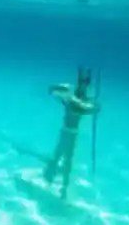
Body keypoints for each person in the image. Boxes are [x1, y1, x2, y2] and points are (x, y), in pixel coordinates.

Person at [42, 66, 99, 199]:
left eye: (85, 84)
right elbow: (54, 90)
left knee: (68, 160)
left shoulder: (83, 100)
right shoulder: (71, 97)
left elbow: (90, 108)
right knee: (58, 156)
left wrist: (95, 106)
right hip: (65, 132)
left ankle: (64, 188)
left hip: (73, 134)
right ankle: (48, 178)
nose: (82, 86)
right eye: (81, 83)